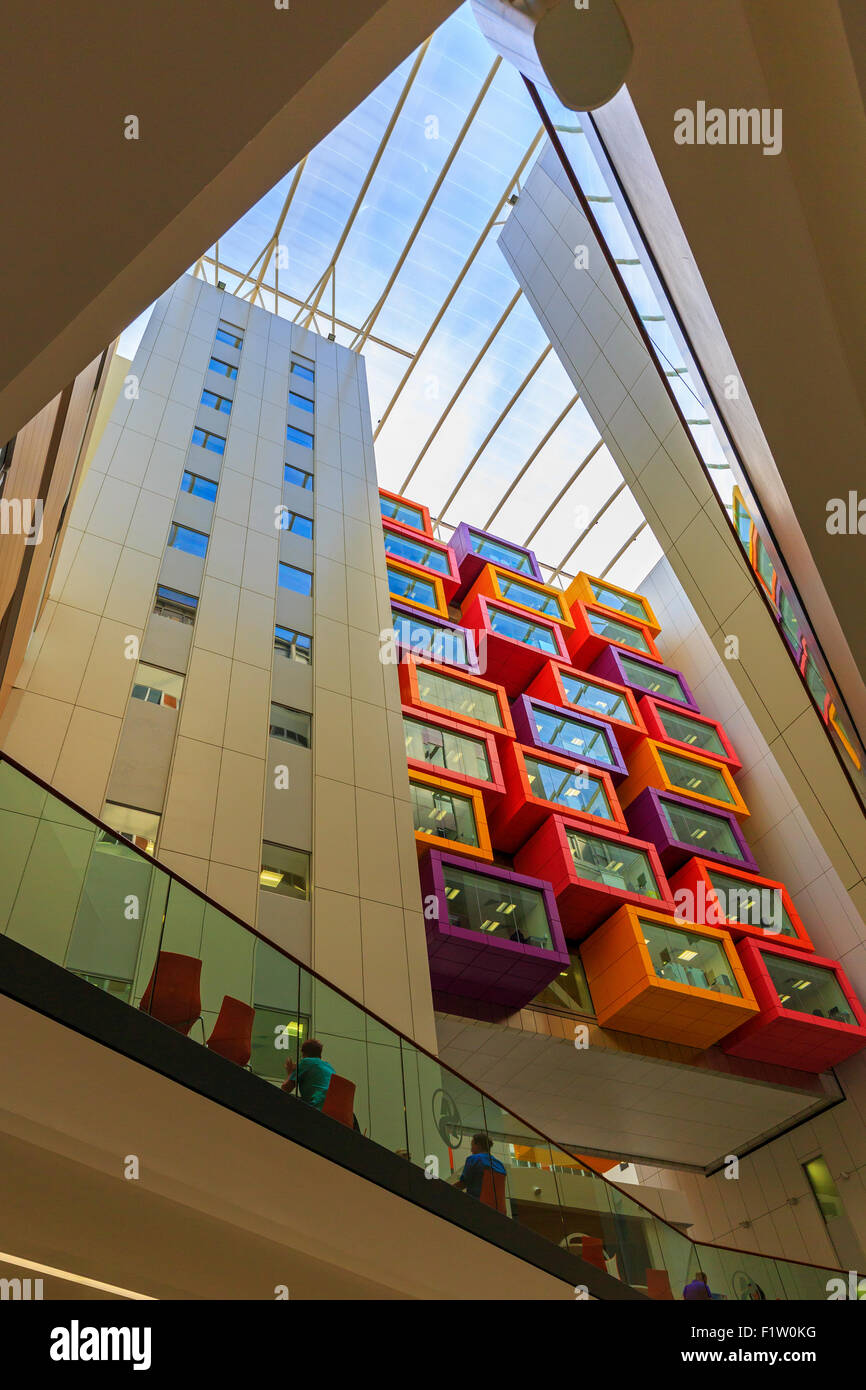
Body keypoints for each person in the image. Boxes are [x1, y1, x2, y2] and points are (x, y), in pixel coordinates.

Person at [282, 1038, 334, 1110]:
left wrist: (290, 1072)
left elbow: (285, 1089)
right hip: (332, 1110)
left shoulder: (306, 1062)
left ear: (303, 1054)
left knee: (286, 1100)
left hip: (317, 1107)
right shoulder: (329, 1067)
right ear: (320, 1055)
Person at [453, 1133, 506, 1199]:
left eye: (472, 1146)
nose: (471, 1150)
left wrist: (447, 1190)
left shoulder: (474, 1159)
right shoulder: (500, 1165)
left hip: (476, 1205)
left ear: (478, 1145)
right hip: (495, 1208)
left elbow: (463, 1184)